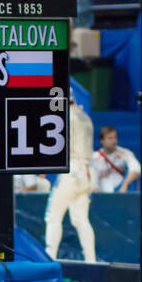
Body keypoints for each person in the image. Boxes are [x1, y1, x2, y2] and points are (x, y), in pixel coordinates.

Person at [44, 99, 97, 263]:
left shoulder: (65, 116)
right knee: (81, 218)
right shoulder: (85, 116)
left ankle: (50, 258)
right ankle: (91, 260)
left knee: (53, 217)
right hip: (86, 171)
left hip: (71, 170)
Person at [89, 126, 141, 194]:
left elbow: (136, 169)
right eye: (110, 138)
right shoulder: (94, 157)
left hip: (120, 193)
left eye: (115, 137)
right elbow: (90, 176)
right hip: (101, 195)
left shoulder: (125, 153)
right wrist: (94, 188)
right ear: (102, 141)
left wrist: (125, 184)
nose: (114, 141)